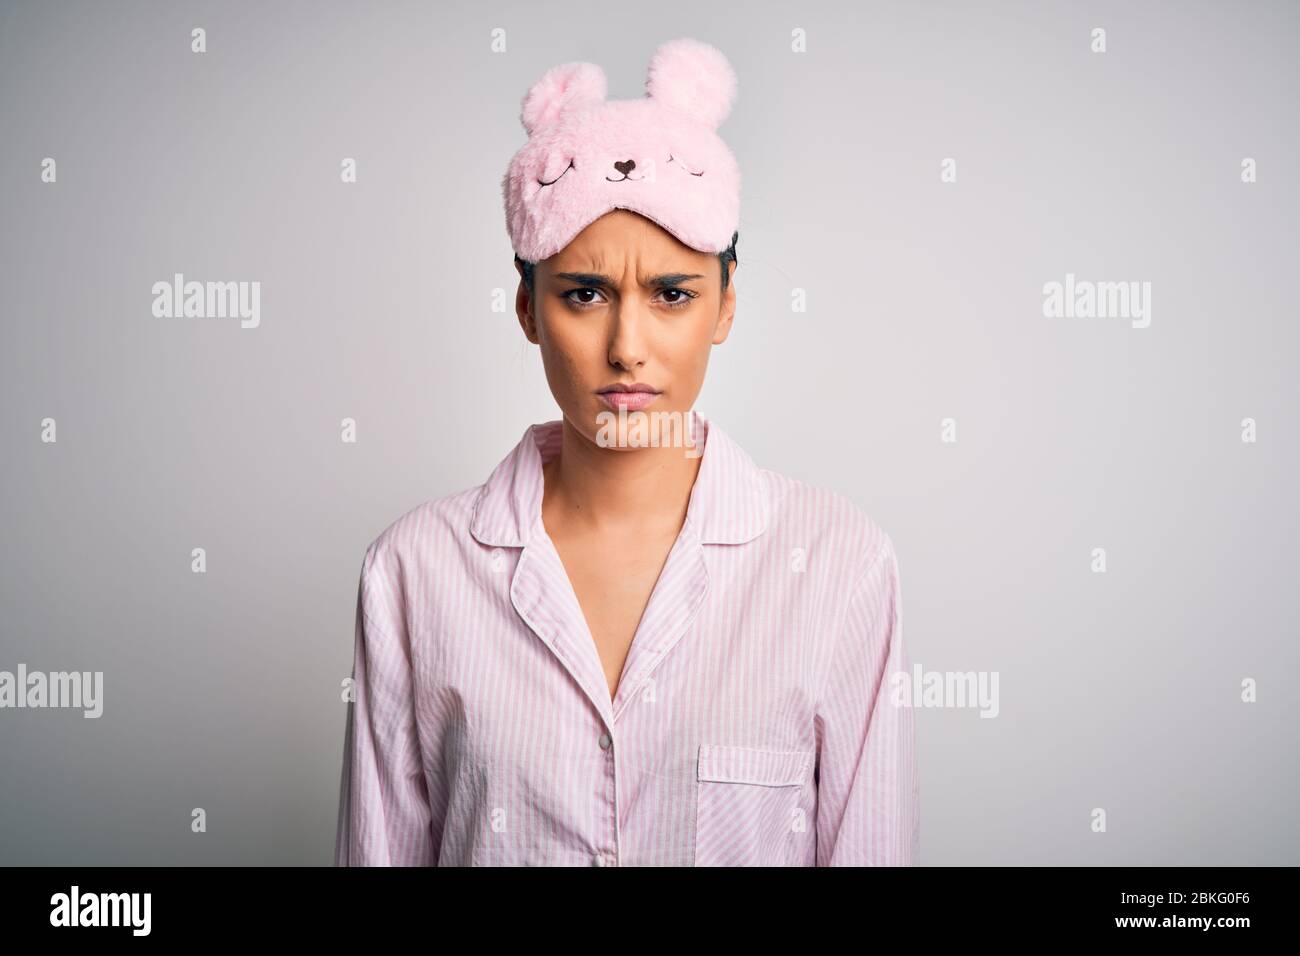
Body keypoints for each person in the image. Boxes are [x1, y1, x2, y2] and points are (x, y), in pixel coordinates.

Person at [334, 37, 918, 866]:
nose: (627, 347)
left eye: (673, 294)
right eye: (584, 294)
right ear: (529, 310)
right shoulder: (413, 572)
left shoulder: (837, 562)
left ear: (724, 307)